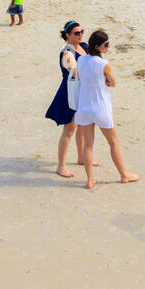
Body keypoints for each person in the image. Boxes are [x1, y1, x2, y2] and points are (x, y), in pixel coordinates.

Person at [75, 29, 137, 189]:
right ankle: (124, 175)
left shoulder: (81, 60)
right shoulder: (104, 64)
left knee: (88, 145)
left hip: (84, 106)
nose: (108, 47)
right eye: (106, 44)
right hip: (100, 107)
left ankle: (89, 180)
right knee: (113, 142)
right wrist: (105, 82)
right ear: (98, 46)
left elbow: (80, 77)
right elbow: (113, 82)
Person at [47, 21, 93, 178]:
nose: (80, 35)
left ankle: (81, 157)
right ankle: (61, 166)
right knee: (70, 128)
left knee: (82, 125)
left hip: (83, 90)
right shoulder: (67, 53)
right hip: (70, 93)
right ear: (67, 35)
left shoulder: (84, 46)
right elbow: (76, 72)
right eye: (76, 33)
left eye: (82, 31)